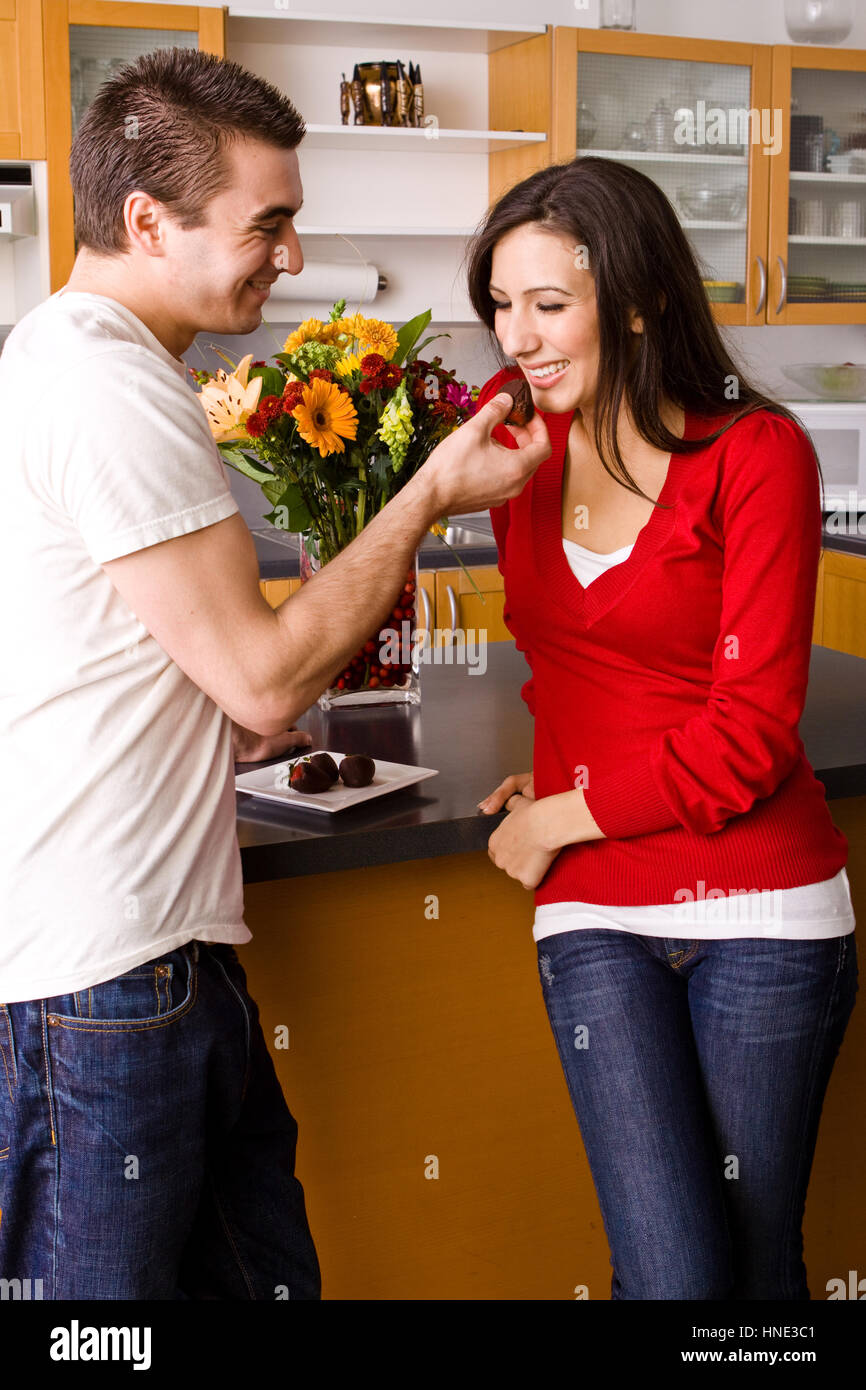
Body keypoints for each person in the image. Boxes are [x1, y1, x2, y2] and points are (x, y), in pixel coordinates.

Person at [0, 48, 550, 1300]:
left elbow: (201, 692)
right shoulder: (106, 388)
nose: (289, 256)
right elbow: (261, 688)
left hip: (154, 957)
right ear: (149, 220)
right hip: (106, 974)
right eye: (270, 222)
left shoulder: (82, 364)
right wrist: (419, 497)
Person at [472, 156, 858, 1301]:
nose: (517, 337)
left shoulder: (754, 454)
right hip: (594, 904)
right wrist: (554, 783)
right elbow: (576, 671)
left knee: (752, 1265)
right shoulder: (519, 470)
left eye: (548, 304)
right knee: (672, 1276)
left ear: (633, 299)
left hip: (764, 911)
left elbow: (746, 736)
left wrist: (562, 810)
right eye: (501, 305)